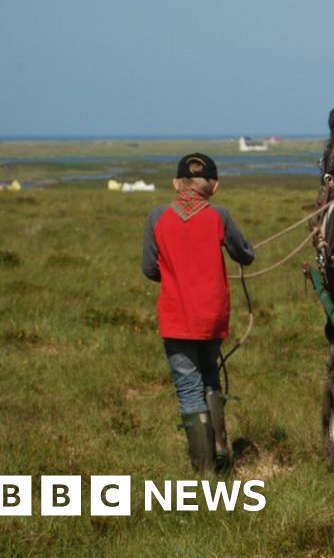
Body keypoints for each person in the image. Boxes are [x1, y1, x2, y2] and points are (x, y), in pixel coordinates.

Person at [141, 153, 255, 474]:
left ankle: (205, 471)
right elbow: (245, 255)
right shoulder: (219, 216)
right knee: (209, 375)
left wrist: (177, 277)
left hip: (177, 316)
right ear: (214, 187)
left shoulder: (156, 217)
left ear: (176, 184)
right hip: (213, 315)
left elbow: (149, 268)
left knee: (188, 386)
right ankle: (219, 446)